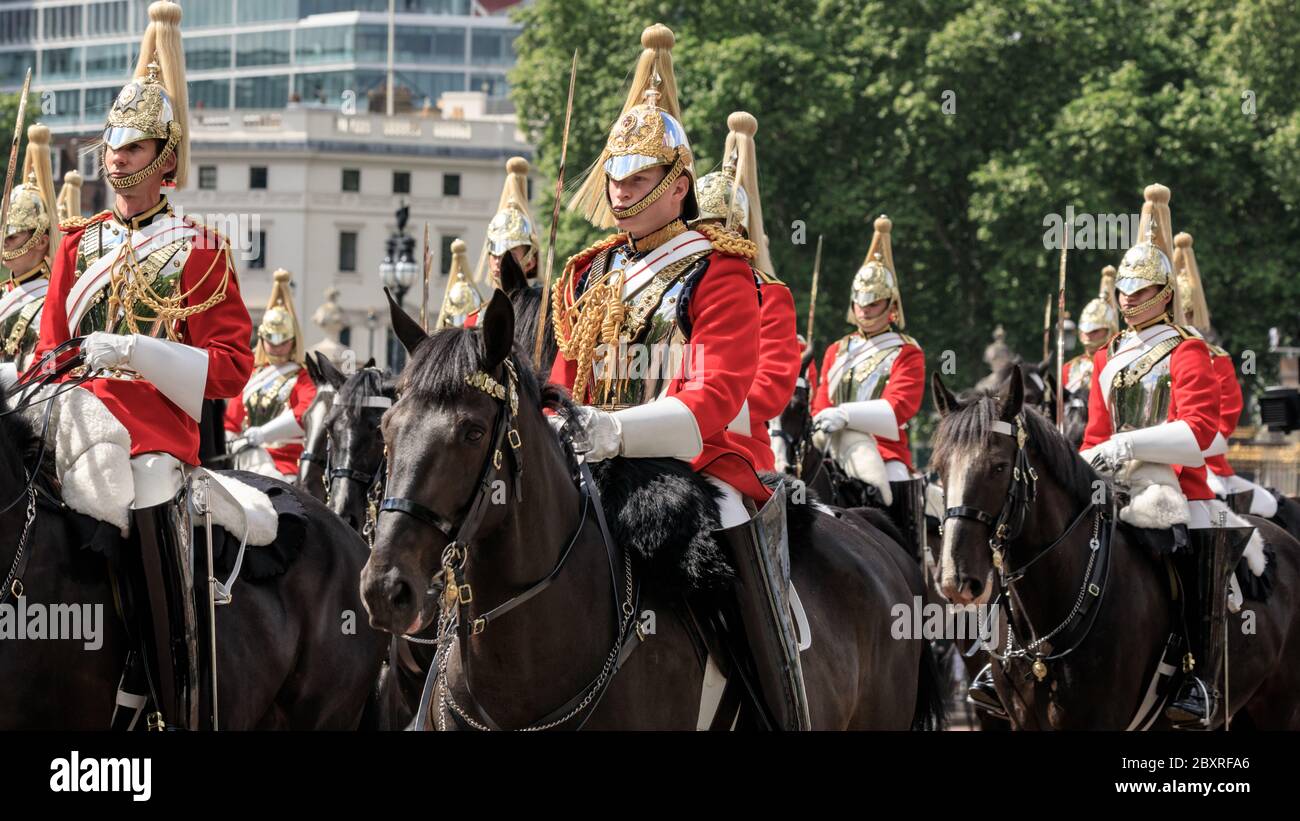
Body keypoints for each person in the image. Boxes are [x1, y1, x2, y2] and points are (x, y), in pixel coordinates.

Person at [549, 24, 808, 729]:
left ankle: (773, 697)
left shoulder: (717, 268)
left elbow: (714, 398)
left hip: (690, 460)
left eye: (639, 176)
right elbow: (563, 373)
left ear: (679, 184)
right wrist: (554, 425)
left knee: (728, 538)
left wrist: (612, 429)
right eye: (617, 173)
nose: (623, 188)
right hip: (583, 457)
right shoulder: (592, 270)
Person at [32, 0, 254, 730]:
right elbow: (48, 349)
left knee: (151, 486)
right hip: (76, 425)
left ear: (164, 157)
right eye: (111, 144)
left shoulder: (200, 248)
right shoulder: (75, 246)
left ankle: (166, 680)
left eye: (130, 147)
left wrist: (136, 351)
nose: (114, 157)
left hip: (156, 439)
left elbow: (230, 369)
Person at [1079, 184, 1252, 728]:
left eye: (1141, 290)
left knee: (1196, 538)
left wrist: (1127, 445)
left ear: (1165, 293)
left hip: (1177, 485)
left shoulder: (1188, 348)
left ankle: (1197, 676)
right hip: (1115, 482)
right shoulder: (1107, 355)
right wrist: (1088, 461)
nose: (1128, 300)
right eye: (1124, 291)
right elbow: (1093, 433)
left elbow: (1202, 433)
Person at [690, 111, 800, 473]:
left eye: (716, 231)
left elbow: (772, 384)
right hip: (658, 437)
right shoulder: (679, 282)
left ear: (739, 234)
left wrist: (699, 407)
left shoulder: (768, 294)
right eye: (699, 230)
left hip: (735, 447)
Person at [810, 216, 926, 555]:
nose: (864, 310)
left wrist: (845, 414)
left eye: (873, 303)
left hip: (884, 448)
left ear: (890, 305)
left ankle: (909, 558)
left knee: (894, 479)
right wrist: (826, 421)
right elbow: (819, 402)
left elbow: (900, 406)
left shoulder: (906, 350)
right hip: (831, 444)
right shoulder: (837, 349)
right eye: (860, 302)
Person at [1172, 231, 1277, 520]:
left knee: (1259, 507)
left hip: (1205, 467)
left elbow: (1220, 430)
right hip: (1147, 465)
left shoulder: (1217, 360)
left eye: (1186, 316)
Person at [224, 268, 316, 482]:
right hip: (246, 459)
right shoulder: (252, 376)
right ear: (262, 339)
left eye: (282, 342)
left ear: (292, 341)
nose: (276, 347)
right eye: (271, 341)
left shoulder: (302, 377)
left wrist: (263, 434)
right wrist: (230, 441)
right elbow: (231, 421)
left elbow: (305, 414)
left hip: (287, 465)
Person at [0, 124, 60, 380]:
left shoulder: (52, 301)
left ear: (40, 241)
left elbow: (46, 372)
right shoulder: (4, 291)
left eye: (12, 236)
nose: (4, 243)